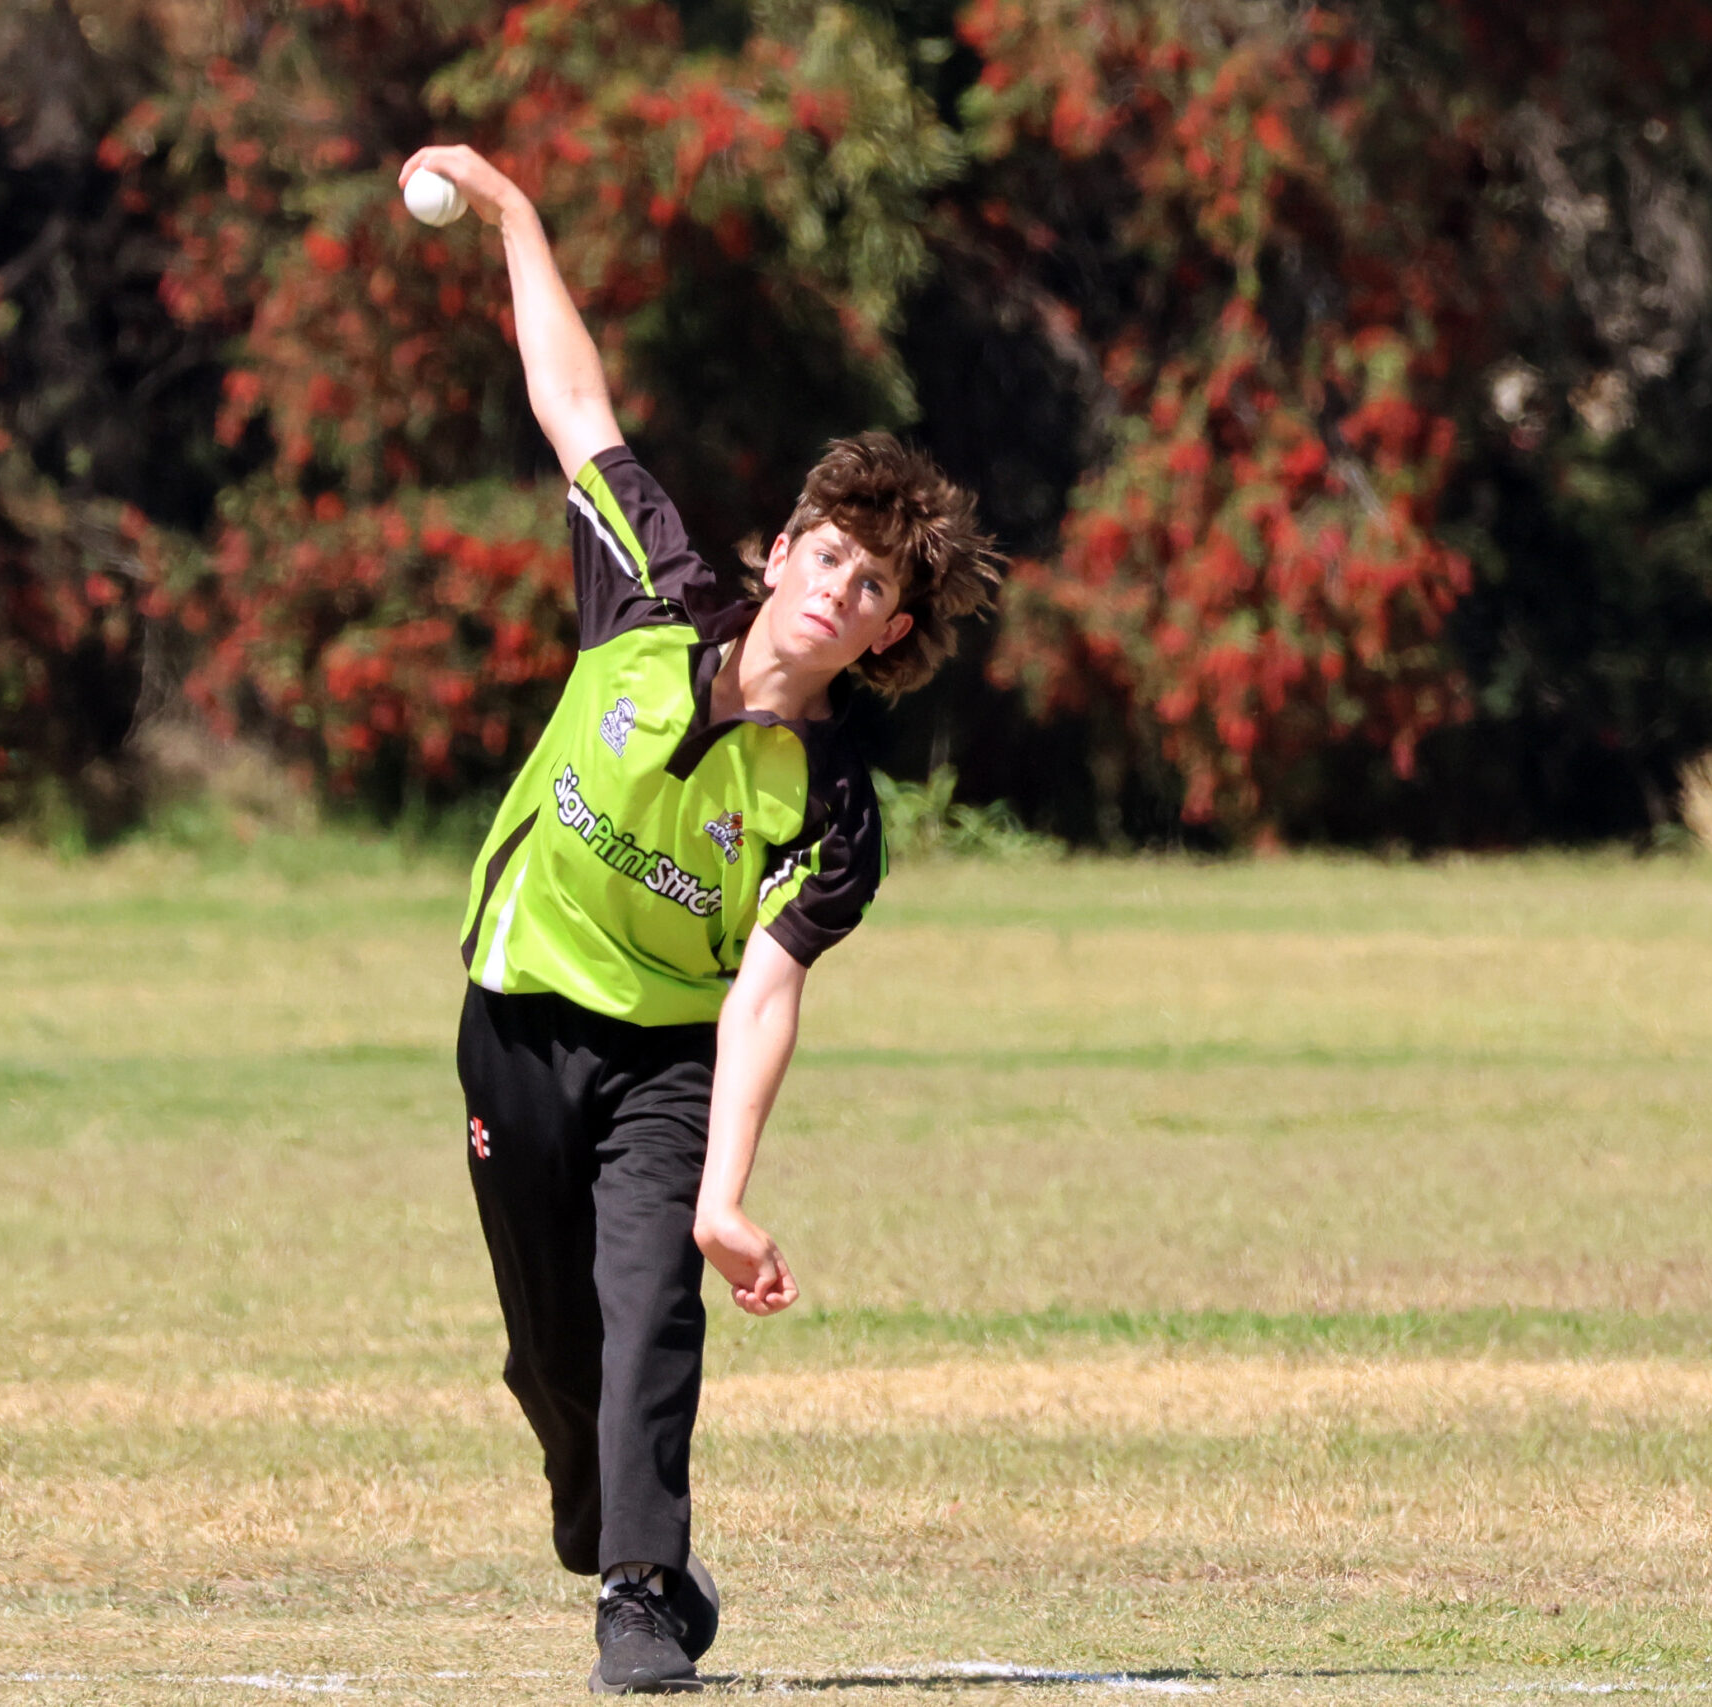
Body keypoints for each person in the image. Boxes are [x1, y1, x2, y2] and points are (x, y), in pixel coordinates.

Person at [401, 143, 999, 1694]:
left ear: (887, 634)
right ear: (783, 551)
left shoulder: (834, 810)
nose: (837, 589)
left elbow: (762, 995)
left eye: (871, 589)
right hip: (516, 1021)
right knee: (554, 1353)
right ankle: (601, 1515)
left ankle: (642, 1593)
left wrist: (724, 1195)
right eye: (829, 556)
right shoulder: (649, 594)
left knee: (652, 1301)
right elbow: (573, 405)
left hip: (665, 1064)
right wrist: (517, 215)